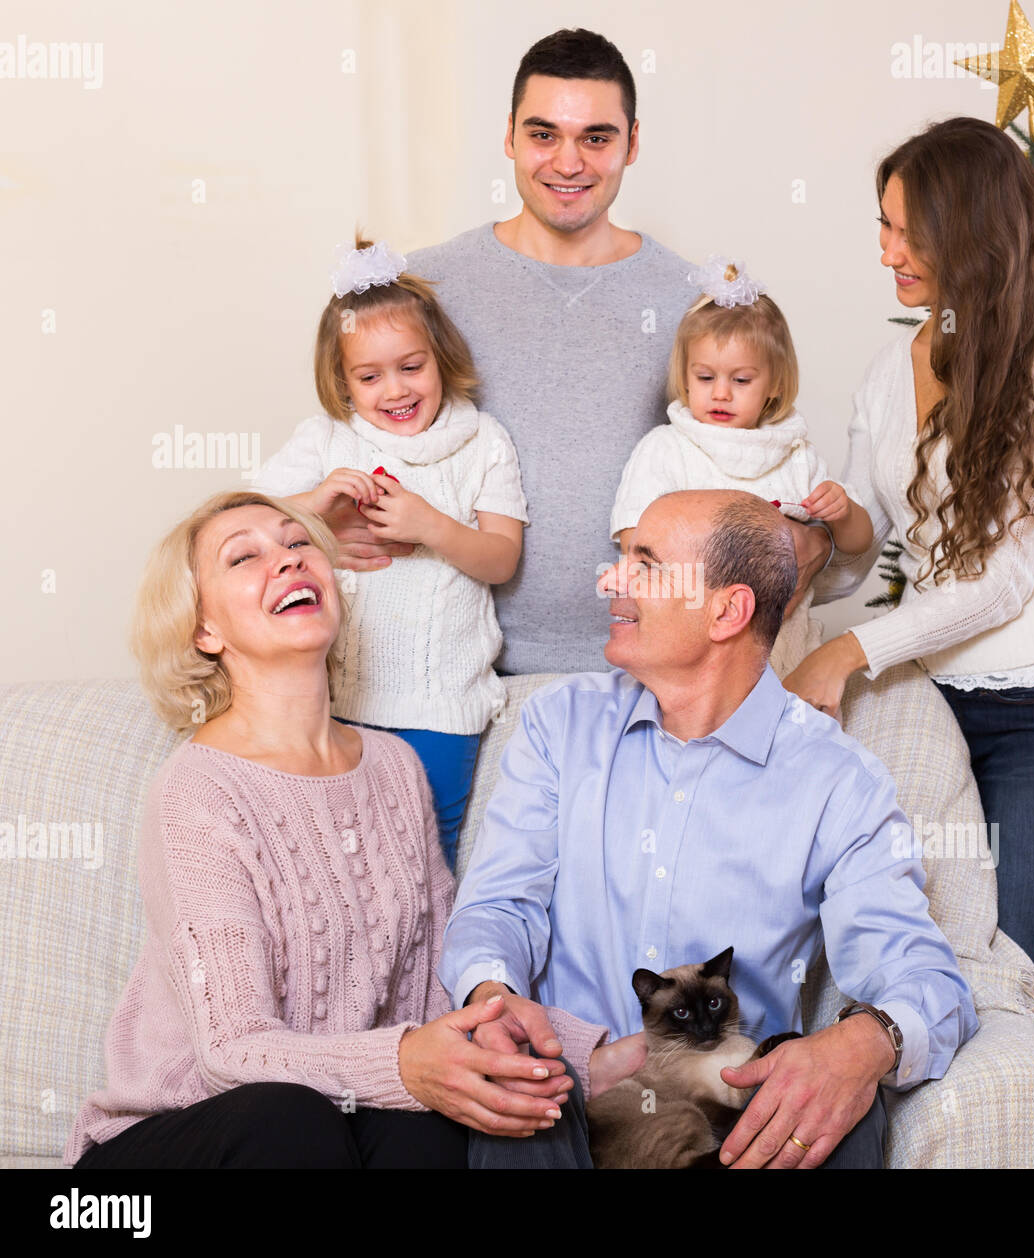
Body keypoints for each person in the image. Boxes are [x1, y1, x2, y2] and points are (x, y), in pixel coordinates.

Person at [65, 490, 638, 1169]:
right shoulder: (197, 790)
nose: (286, 561)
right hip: (175, 1139)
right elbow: (231, 1051)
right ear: (204, 632)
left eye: (299, 543)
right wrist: (404, 1062)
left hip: (328, 1122)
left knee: (438, 1128)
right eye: (245, 557)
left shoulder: (394, 766)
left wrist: (588, 1055)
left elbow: (436, 985)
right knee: (290, 1116)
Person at [438, 489, 978, 1169]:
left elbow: (921, 972)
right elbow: (497, 909)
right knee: (514, 1092)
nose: (612, 579)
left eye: (646, 563)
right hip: (573, 1100)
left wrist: (865, 1046)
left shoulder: (836, 779)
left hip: (726, 1122)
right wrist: (494, 1001)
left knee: (834, 1080)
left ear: (727, 610)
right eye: (620, 557)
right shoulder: (558, 725)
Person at [784, 117, 1034, 1062]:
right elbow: (863, 551)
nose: (885, 250)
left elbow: (1002, 581)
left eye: (906, 230)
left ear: (969, 232)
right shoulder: (888, 374)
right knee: (916, 975)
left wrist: (848, 651)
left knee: (1007, 983)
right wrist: (826, 525)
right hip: (931, 708)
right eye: (883, 225)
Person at [384, 28, 834, 674]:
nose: (569, 163)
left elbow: (767, 458)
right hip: (460, 670)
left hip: (657, 667)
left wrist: (812, 541)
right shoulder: (426, 289)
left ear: (633, 142)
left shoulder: (698, 302)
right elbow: (359, 442)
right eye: (544, 135)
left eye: (596, 138)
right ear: (509, 136)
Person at [252, 235, 526, 868]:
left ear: (441, 357)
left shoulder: (481, 441)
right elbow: (239, 522)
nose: (395, 390)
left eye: (411, 366)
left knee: (426, 858)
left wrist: (432, 525)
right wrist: (314, 504)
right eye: (369, 376)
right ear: (343, 382)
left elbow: (500, 558)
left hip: (441, 705)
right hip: (341, 703)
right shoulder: (326, 440)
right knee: (341, 864)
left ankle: (430, 970)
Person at [610, 255, 873, 678]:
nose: (721, 394)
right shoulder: (666, 449)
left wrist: (842, 512)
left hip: (786, 659)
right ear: (685, 374)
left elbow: (858, 542)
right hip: (689, 656)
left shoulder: (795, 454)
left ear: (775, 385)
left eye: (741, 380)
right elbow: (633, 544)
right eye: (705, 377)